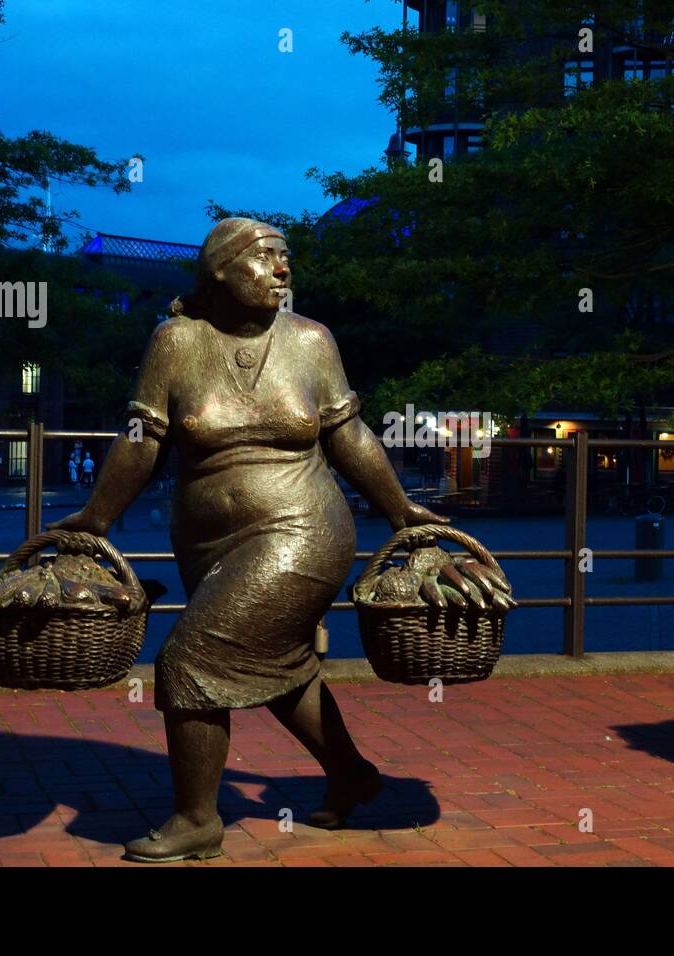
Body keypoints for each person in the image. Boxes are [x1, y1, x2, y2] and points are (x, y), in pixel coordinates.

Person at [48, 218, 503, 862]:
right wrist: (95, 517)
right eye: (265, 259)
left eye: (286, 258)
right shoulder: (175, 341)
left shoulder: (312, 341)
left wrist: (401, 511)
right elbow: (143, 439)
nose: (282, 270)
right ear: (220, 272)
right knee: (278, 666)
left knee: (191, 661)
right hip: (206, 544)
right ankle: (349, 773)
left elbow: (349, 435)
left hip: (303, 529)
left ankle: (197, 819)